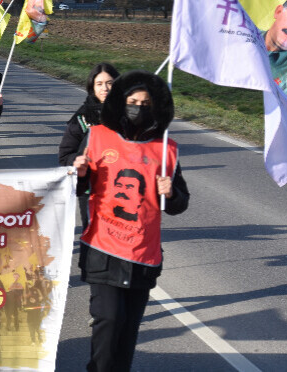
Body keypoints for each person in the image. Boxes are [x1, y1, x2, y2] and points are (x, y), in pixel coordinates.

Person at [71, 70, 190, 372]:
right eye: (133, 102)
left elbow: (179, 205)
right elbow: (76, 189)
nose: (138, 108)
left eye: (145, 103)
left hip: (142, 255)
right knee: (109, 319)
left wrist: (171, 192)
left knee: (128, 331)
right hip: (103, 249)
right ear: (121, 103)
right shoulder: (98, 136)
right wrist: (79, 174)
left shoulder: (166, 148)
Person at [58, 63, 120, 229]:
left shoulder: (129, 115)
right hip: (91, 188)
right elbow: (65, 156)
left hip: (123, 187)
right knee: (94, 232)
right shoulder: (82, 118)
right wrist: (78, 162)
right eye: (99, 84)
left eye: (110, 83)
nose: (105, 88)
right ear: (92, 87)